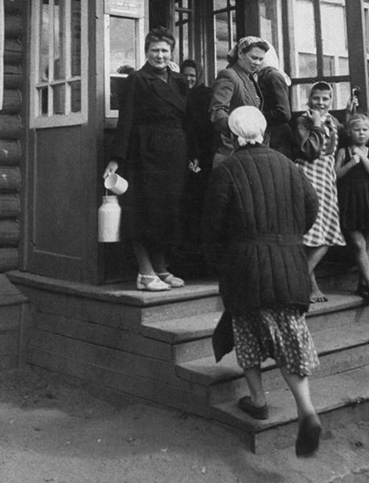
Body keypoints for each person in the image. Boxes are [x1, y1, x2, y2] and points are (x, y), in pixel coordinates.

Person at [202, 106, 322, 458]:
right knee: (290, 338)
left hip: (245, 267)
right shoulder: (288, 165)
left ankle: (258, 400)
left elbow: (212, 227)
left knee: (247, 333)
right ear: (263, 132)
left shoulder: (227, 170)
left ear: (232, 136)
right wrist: (286, 237)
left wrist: (218, 262)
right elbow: (311, 209)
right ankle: (306, 408)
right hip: (289, 264)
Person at [104, 27, 189, 292]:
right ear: (146, 52)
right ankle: (145, 271)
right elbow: (126, 119)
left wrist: (192, 152)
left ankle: (161, 267)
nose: (159, 56)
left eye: (164, 51)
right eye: (154, 50)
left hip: (174, 152)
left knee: (168, 212)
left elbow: (186, 119)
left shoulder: (179, 81)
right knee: (144, 211)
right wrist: (117, 158)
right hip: (145, 152)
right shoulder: (137, 79)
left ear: (171, 53)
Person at [293, 81, 346, 303]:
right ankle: (306, 284)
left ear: (331, 100)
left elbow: (345, 139)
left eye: (325, 99)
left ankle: (300, 280)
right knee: (310, 233)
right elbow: (310, 151)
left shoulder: (334, 122)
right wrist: (315, 124)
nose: (321, 103)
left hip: (326, 178)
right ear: (309, 99)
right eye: (316, 98)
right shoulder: (303, 121)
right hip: (308, 175)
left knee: (328, 233)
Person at [335, 113, 369, 303]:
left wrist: (362, 157)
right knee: (358, 244)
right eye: (357, 130)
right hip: (349, 200)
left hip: (367, 200)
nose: (362, 133)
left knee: (367, 244)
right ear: (350, 132)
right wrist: (351, 162)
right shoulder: (343, 151)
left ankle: (363, 283)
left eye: (365, 130)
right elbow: (336, 175)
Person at [209, 36, 269, 163]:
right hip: (231, 150)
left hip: (248, 149)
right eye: (254, 58)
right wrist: (237, 130)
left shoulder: (249, 77)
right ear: (240, 53)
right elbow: (217, 111)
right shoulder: (229, 75)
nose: (257, 63)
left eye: (260, 59)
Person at [180, 59, 213, 269]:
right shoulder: (177, 93)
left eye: (192, 75)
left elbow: (206, 128)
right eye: (185, 75)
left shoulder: (205, 94)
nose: (189, 79)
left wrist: (198, 156)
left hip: (203, 155)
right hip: (182, 152)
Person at [256, 43, 294, 158]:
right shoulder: (262, 77)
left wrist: (256, 116)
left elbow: (284, 113)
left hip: (278, 138)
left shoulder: (273, 76)